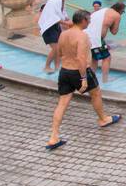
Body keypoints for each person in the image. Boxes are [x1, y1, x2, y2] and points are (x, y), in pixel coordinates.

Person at [47, 10, 121, 151]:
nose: (90, 22)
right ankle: (103, 119)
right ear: (83, 21)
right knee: (96, 93)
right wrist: (84, 79)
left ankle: (53, 137)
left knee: (62, 103)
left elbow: (61, 53)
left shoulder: (63, 34)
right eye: (89, 20)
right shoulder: (82, 36)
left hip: (65, 71)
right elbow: (81, 58)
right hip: (79, 72)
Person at [38, 0, 76, 73]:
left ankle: (57, 66)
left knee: (60, 48)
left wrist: (68, 20)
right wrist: (66, 23)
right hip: (48, 27)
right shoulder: (56, 0)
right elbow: (53, 17)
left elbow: (63, 12)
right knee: (56, 48)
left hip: (55, 26)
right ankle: (46, 66)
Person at [85, 0, 124, 82]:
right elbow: (114, 32)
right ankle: (105, 79)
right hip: (96, 38)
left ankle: (91, 79)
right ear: (120, 10)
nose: (122, 13)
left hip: (85, 35)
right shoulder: (117, 15)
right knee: (107, 57)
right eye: (123, 11)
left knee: (94, 59)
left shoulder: (102, 10)